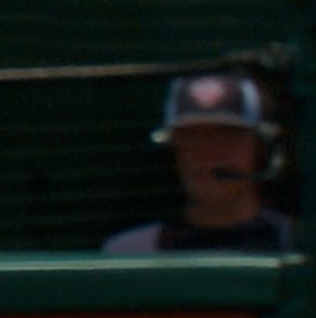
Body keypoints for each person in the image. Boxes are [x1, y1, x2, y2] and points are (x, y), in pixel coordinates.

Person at [102, 71, 296, 253]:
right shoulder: (132, 253)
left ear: (259, 147)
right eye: (193, 139)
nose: (209, 155)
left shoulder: (302, 245)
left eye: (225, 137)